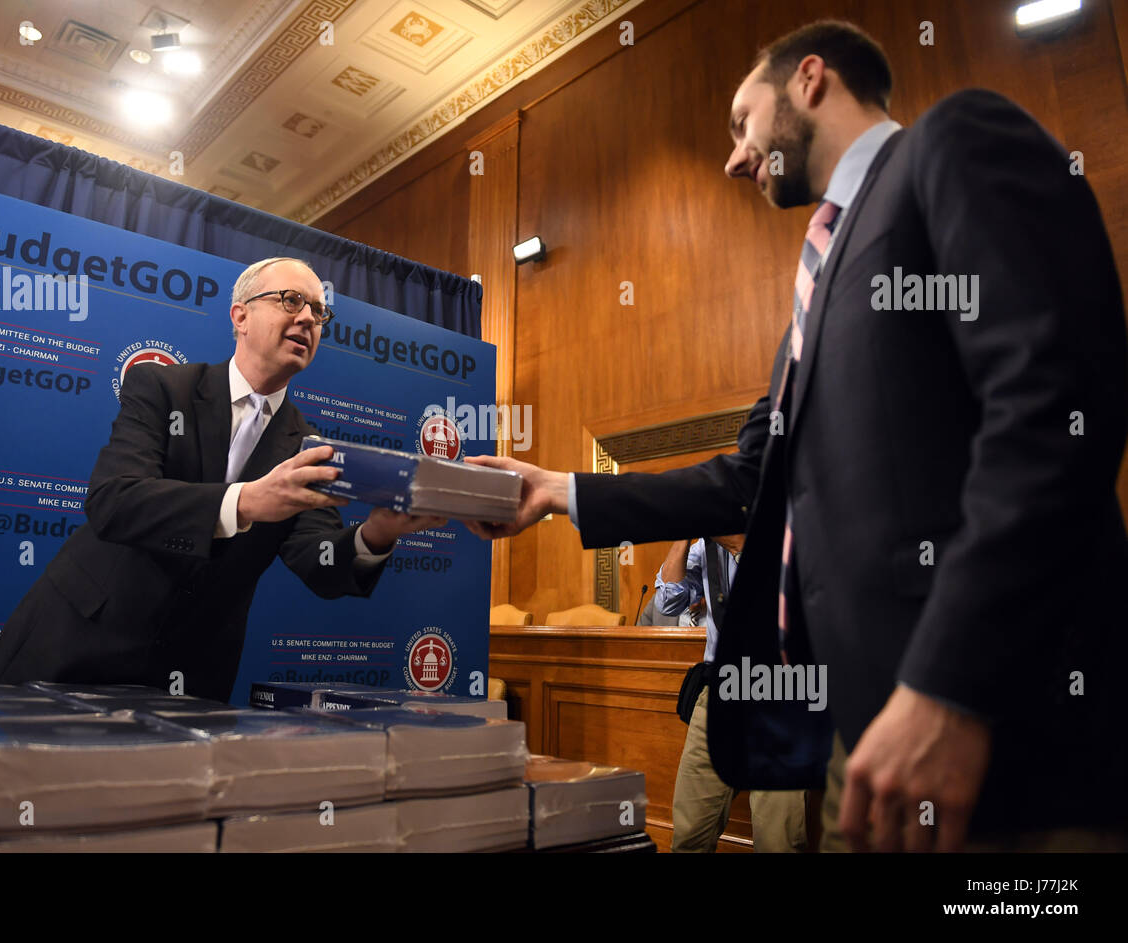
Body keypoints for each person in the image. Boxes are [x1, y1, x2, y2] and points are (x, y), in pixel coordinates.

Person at [466, 20, 1128, 851]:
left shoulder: (954, 144)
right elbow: (749, 478)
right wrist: (557, 490)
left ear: (810, 80)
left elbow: (1055, 407)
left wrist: (946, 687)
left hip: (993, 723)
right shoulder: (808, 301)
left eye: (743, 122)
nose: (735, 157)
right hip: (858, 732)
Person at [0, 257, 443, 701]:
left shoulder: (306, 445)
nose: (308, 318)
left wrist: (377, 535)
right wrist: (243, 503)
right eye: (290, 300)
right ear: (240, 316)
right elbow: (114, 500)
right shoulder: (163, 388)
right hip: (74, 647)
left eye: (319, 311)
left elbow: (316, 562)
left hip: (188, 678)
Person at [660, 537, 808, 853]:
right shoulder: (705, 547)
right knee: (689, 837)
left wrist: (739, 548)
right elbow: (669, 602)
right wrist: (681, 538)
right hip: (718, 698)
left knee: (778, 841)